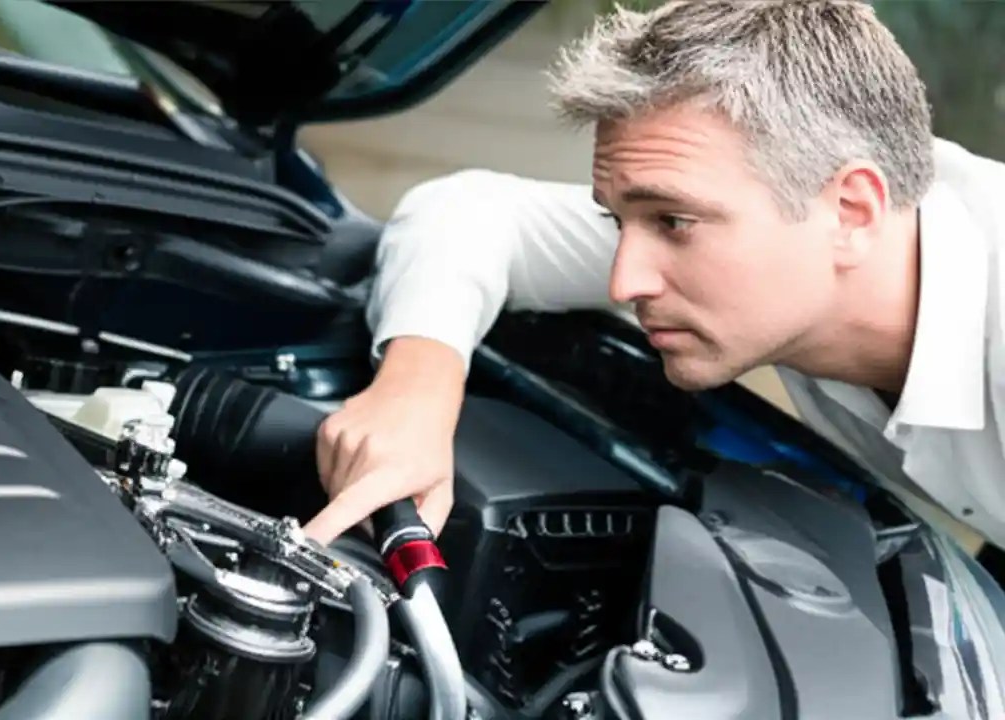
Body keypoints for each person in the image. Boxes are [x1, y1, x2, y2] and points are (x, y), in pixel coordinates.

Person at [300, 0, 1005, 555]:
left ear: (852, 211)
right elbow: (471, 212)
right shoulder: (803, 215)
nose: (623, 282)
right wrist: (417, 386)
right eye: (617, 222)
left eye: (673, 223)